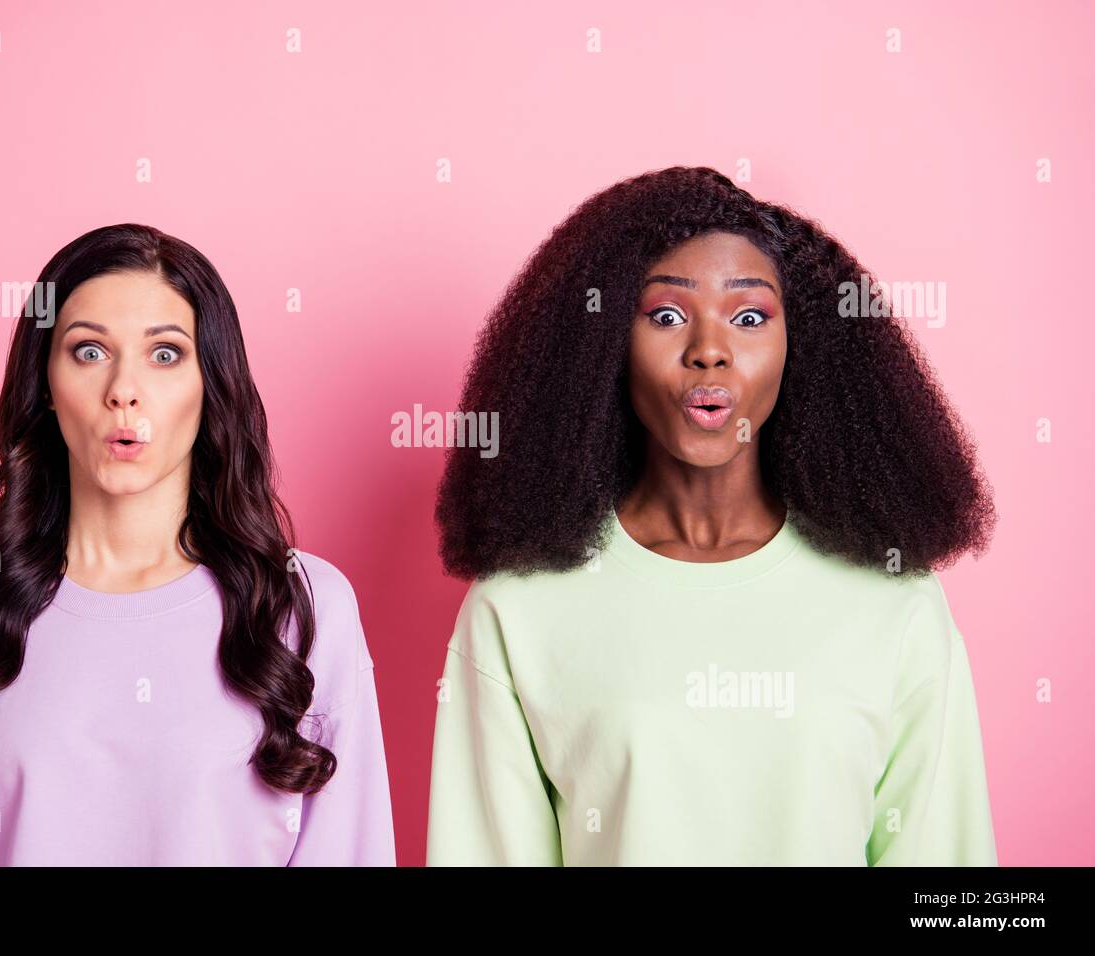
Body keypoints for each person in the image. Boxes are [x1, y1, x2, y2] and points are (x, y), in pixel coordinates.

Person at [425, 167, 998, 866]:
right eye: (666, 315)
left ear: (802, 345)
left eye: (750, 317)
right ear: (604, 343)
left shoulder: (895, 601)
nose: (709, 349)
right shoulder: (517, 609)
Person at [0, 224, 395, 866]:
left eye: (165, 354)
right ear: (45, 384)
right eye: (87, 351)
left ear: (210, 386)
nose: (122, 391)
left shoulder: (305, 607)